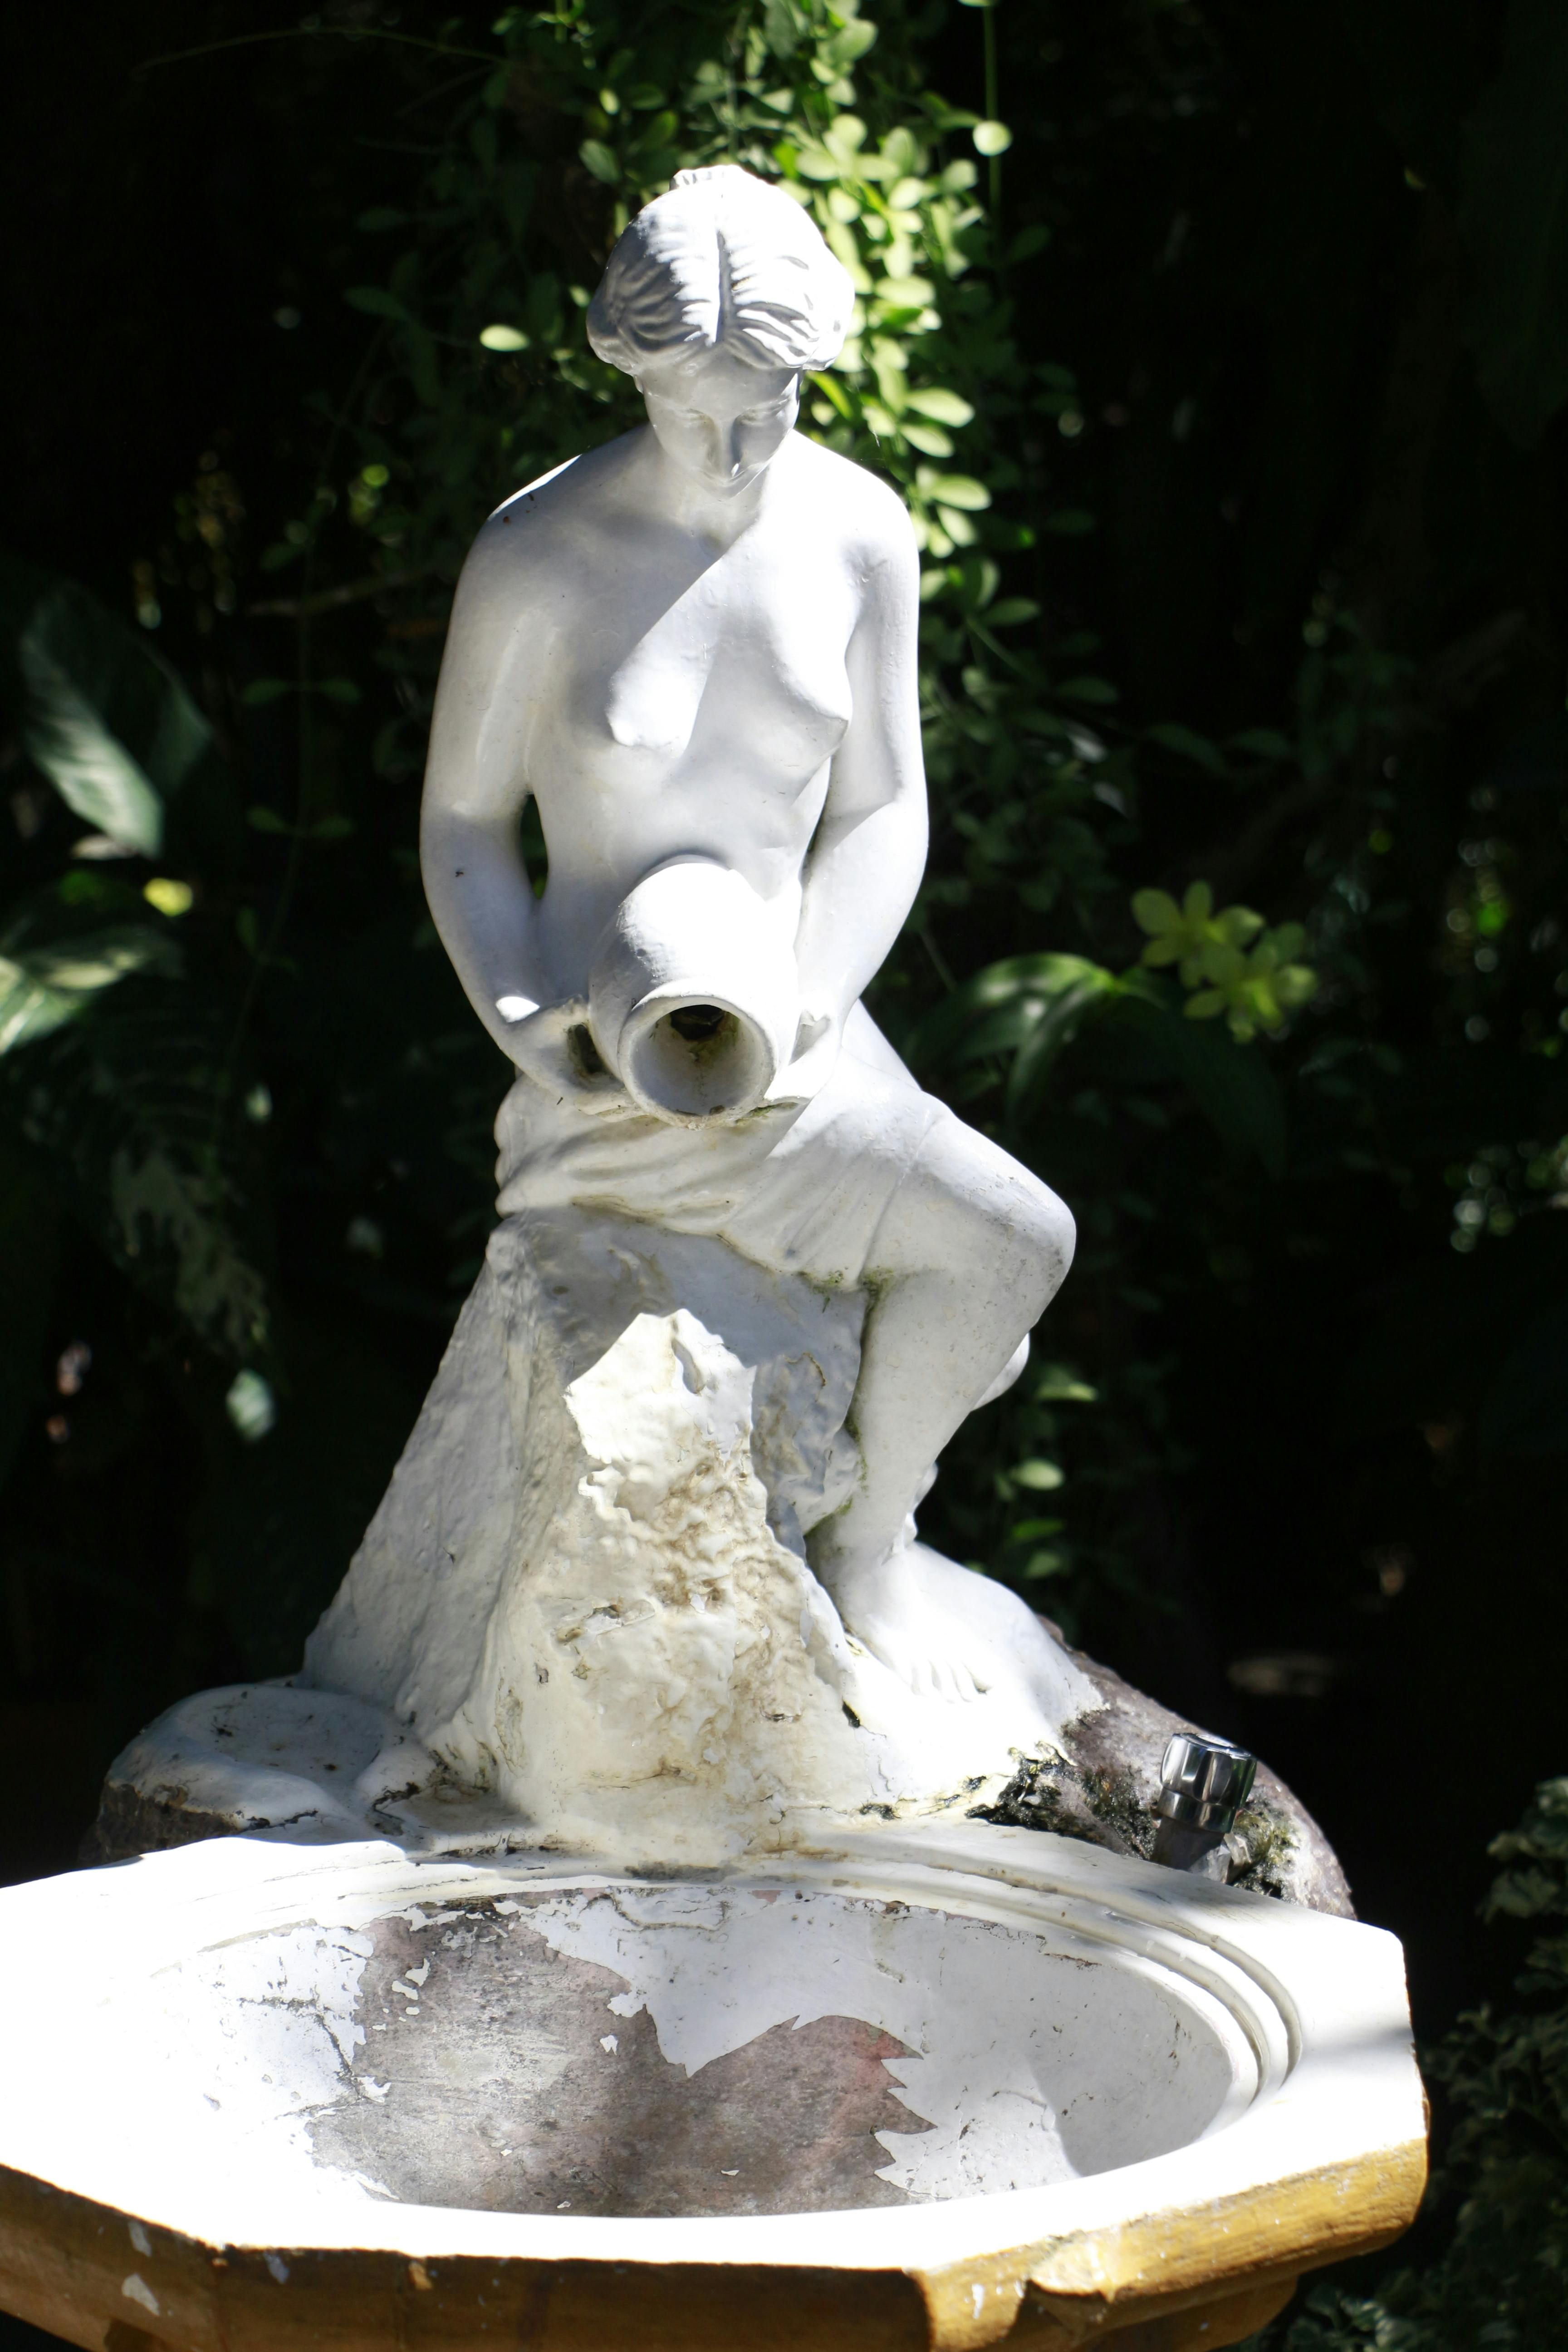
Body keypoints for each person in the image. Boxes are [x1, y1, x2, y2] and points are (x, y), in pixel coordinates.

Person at [421, 165, 1073, 1700]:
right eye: (695, 407)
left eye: (767, 405)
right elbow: (461, 827)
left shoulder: (857, 533)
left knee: (1014, 1248)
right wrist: (523, 1014)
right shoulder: (538, 557)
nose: (732, 444)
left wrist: (819, 1001)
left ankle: (873, 1542)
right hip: (604, 1064)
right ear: (632, 369)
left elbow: (885, 811)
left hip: (802, 1038)